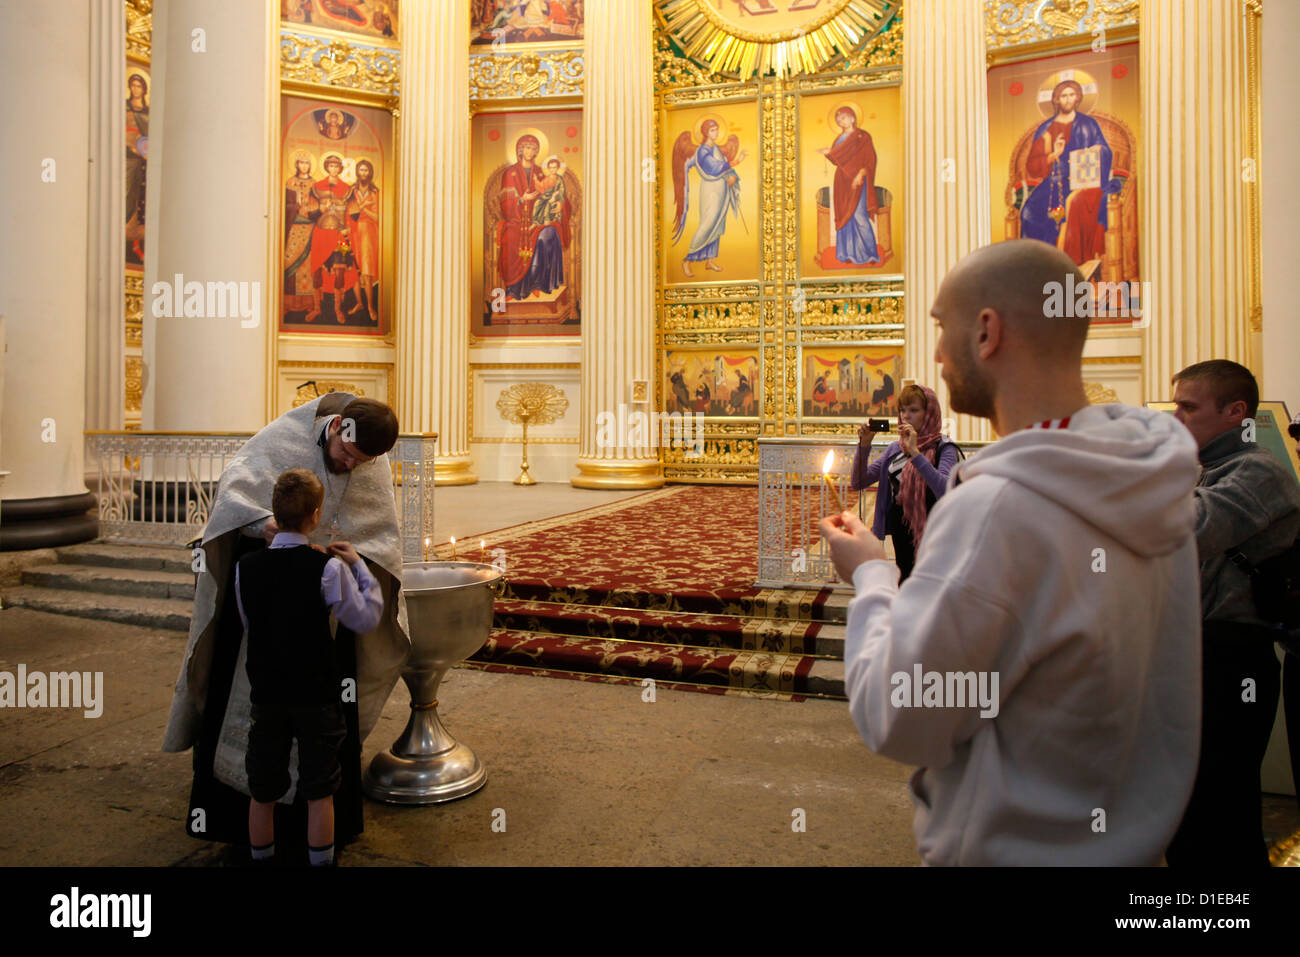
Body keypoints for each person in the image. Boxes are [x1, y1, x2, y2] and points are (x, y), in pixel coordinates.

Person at [820, 239, 1201, 865]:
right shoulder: (1150, 479)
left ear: (988, 331)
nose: (938, 354)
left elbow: (902, 714)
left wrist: (873, 578)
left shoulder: (997, 507)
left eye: (943, 328)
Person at [163, 394, 409, 865]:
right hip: (274, 628)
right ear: (337, 426)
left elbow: (380, 531)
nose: (351, 465)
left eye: (362, 462)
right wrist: (262, 525)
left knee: (313, 754)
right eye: (346, 454)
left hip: (324, 630)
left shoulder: (367, 458)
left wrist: (360, 562)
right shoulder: (282, 439)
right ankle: (251, 830)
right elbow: (233, 500)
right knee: (269, 738)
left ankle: (287, 843)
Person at [1164, 360, 1300, 866]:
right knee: (1184, 808)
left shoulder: (1258, 471)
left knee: (1219, 810)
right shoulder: (1193, 470)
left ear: (1235, 412)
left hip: (1230, 658)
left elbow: (1188, 531)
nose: (1175, 416)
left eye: (1188, 406)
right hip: (1188, 651)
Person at [240, 469, 384, 867]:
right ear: (316, 515)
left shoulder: (245, 568)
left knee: (263, 786)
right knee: (320, 787)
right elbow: (364, 618)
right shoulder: (328, 568)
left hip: (267, 691)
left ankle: (261, 859)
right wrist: (358, 567)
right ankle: (321, 863)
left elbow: (252, 625)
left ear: (274, 512)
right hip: (316, 691)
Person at [848, 384, 959, 582]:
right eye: (902, 410)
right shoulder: (895, 449)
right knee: (906, 577)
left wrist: (916, 453)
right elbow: (858, 481)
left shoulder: (944, 447)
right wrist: (864, 446)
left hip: (933, 527)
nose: (906, 416)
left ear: (929, 413)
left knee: (931, 580)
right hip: (901, 526)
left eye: (914, 410)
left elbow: (944, 489)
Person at [1018, 80, 1122, 267]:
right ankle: (1034, 265)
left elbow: (1106, 152)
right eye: (1064, 96)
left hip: (1083, 181)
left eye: (1072, 95)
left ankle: (1072, 266)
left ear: (1078, 98)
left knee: (1073, 205)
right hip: (1053, 181)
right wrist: (1053, 155)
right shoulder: (1046, 128)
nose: (1068, 99)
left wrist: (1098, 150)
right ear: (1057, 100)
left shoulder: (1088, 124)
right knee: (1028, 212)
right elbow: (1032, 165)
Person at [671, 119, 746, 278]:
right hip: (711, 191)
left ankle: (709, 260)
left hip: (721, 189)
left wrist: (731, 177)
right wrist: (737, 162)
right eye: (712, 130)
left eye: (717, 130)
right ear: (705, 133)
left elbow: (723, 167)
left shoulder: (716, 148)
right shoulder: (702, 151)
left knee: (717, 224)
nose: (716, 133)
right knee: (708, 224)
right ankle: (687, 260)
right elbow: (713, 168)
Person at [817, 106, 880, 266]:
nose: (841, 121)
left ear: (852, 118)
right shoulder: (839, 139)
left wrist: (861, 173)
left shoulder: (862, 136)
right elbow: (837, 158)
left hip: (857, 180)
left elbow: (870, 159)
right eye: (838, 120)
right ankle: (848, 254)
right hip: (842, 181)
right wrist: (828, 152)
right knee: (845, 215)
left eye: (843, 118)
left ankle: (870, 253)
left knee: (859, 215)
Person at [345, 158, 380, 323]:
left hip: (368, 233)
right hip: (353, 231)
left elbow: (379, 217)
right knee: (354, 271)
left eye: (366, 170)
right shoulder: (351, 191)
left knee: (366, 272)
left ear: (370, 173)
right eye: (361, 170)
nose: (363, 173)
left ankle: (371, 307)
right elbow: (347, 212)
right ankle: (359, 303)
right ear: (357, 172)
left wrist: (364, 207)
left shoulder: (375, 192)